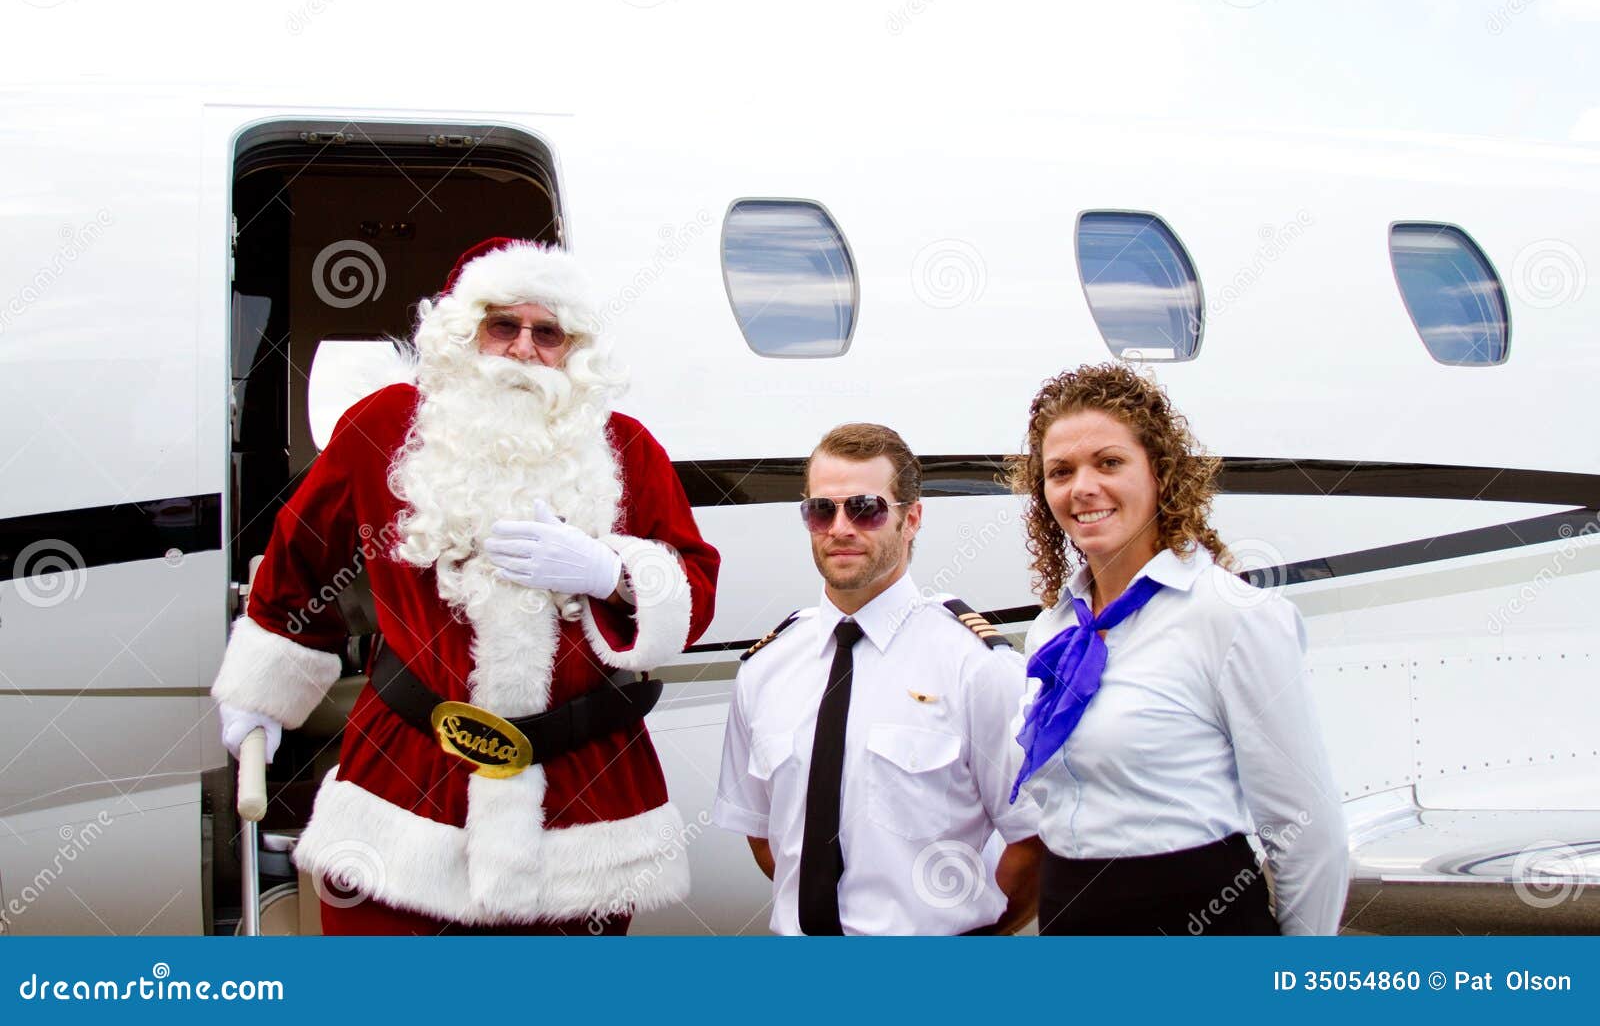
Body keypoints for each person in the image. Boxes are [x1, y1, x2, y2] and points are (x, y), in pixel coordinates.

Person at [211, 236, 720, 934]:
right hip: (404, 793)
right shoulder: (382, 427)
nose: (522, 349)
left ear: (574, 350)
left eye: (548, 333)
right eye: (502, 325)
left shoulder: (627, 446)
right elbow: (297, 564)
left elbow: (696, 585)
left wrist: (611, 572)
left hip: (581, 805)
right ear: (462, 332)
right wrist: (262, 697)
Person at [1006, 363, 1348, 935]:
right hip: (1072, 919)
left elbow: (1308, 830)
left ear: (1160, 473)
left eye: (1109, 463)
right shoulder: (1053, 630)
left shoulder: (1231, 617)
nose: (1082, 487)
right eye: (1060, 471)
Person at [714, 423, 1043, 935]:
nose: (841, 528)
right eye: (822, 510)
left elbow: (1033, 844)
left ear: (911, 518)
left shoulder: (977, 667)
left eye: (866, 509)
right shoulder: (765, 669)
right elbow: (764, 835)